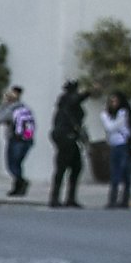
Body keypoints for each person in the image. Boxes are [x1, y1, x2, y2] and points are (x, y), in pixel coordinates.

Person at [49, 79, 88, 208]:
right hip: (66, 137)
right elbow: (76, 99)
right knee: (62, 168)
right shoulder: (67, 101)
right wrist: (89, 92)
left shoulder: (64, 103)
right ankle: (56, 198)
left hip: (69, 137)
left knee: (76, 167)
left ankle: (69, 197)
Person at [102, 90, 131, 209]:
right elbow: (109, 127)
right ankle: (113, 199)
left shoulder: (123, 113)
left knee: (125, 174)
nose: (113, 103)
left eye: (115, 101)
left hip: (124, 146)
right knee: (115, 174)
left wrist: (107, 117)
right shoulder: (108, 114)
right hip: (114, 146)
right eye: (111, 101)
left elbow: (111, 127)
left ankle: (125, 200)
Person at [1, 86, 36, 197]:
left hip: (15, 140)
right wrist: (28, 138)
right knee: (17, 164)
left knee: (12, 165)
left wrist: (5, 104)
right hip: (25, 140)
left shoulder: (12, 109)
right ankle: (18, 186)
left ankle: (20, 183)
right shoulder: (25, 108)